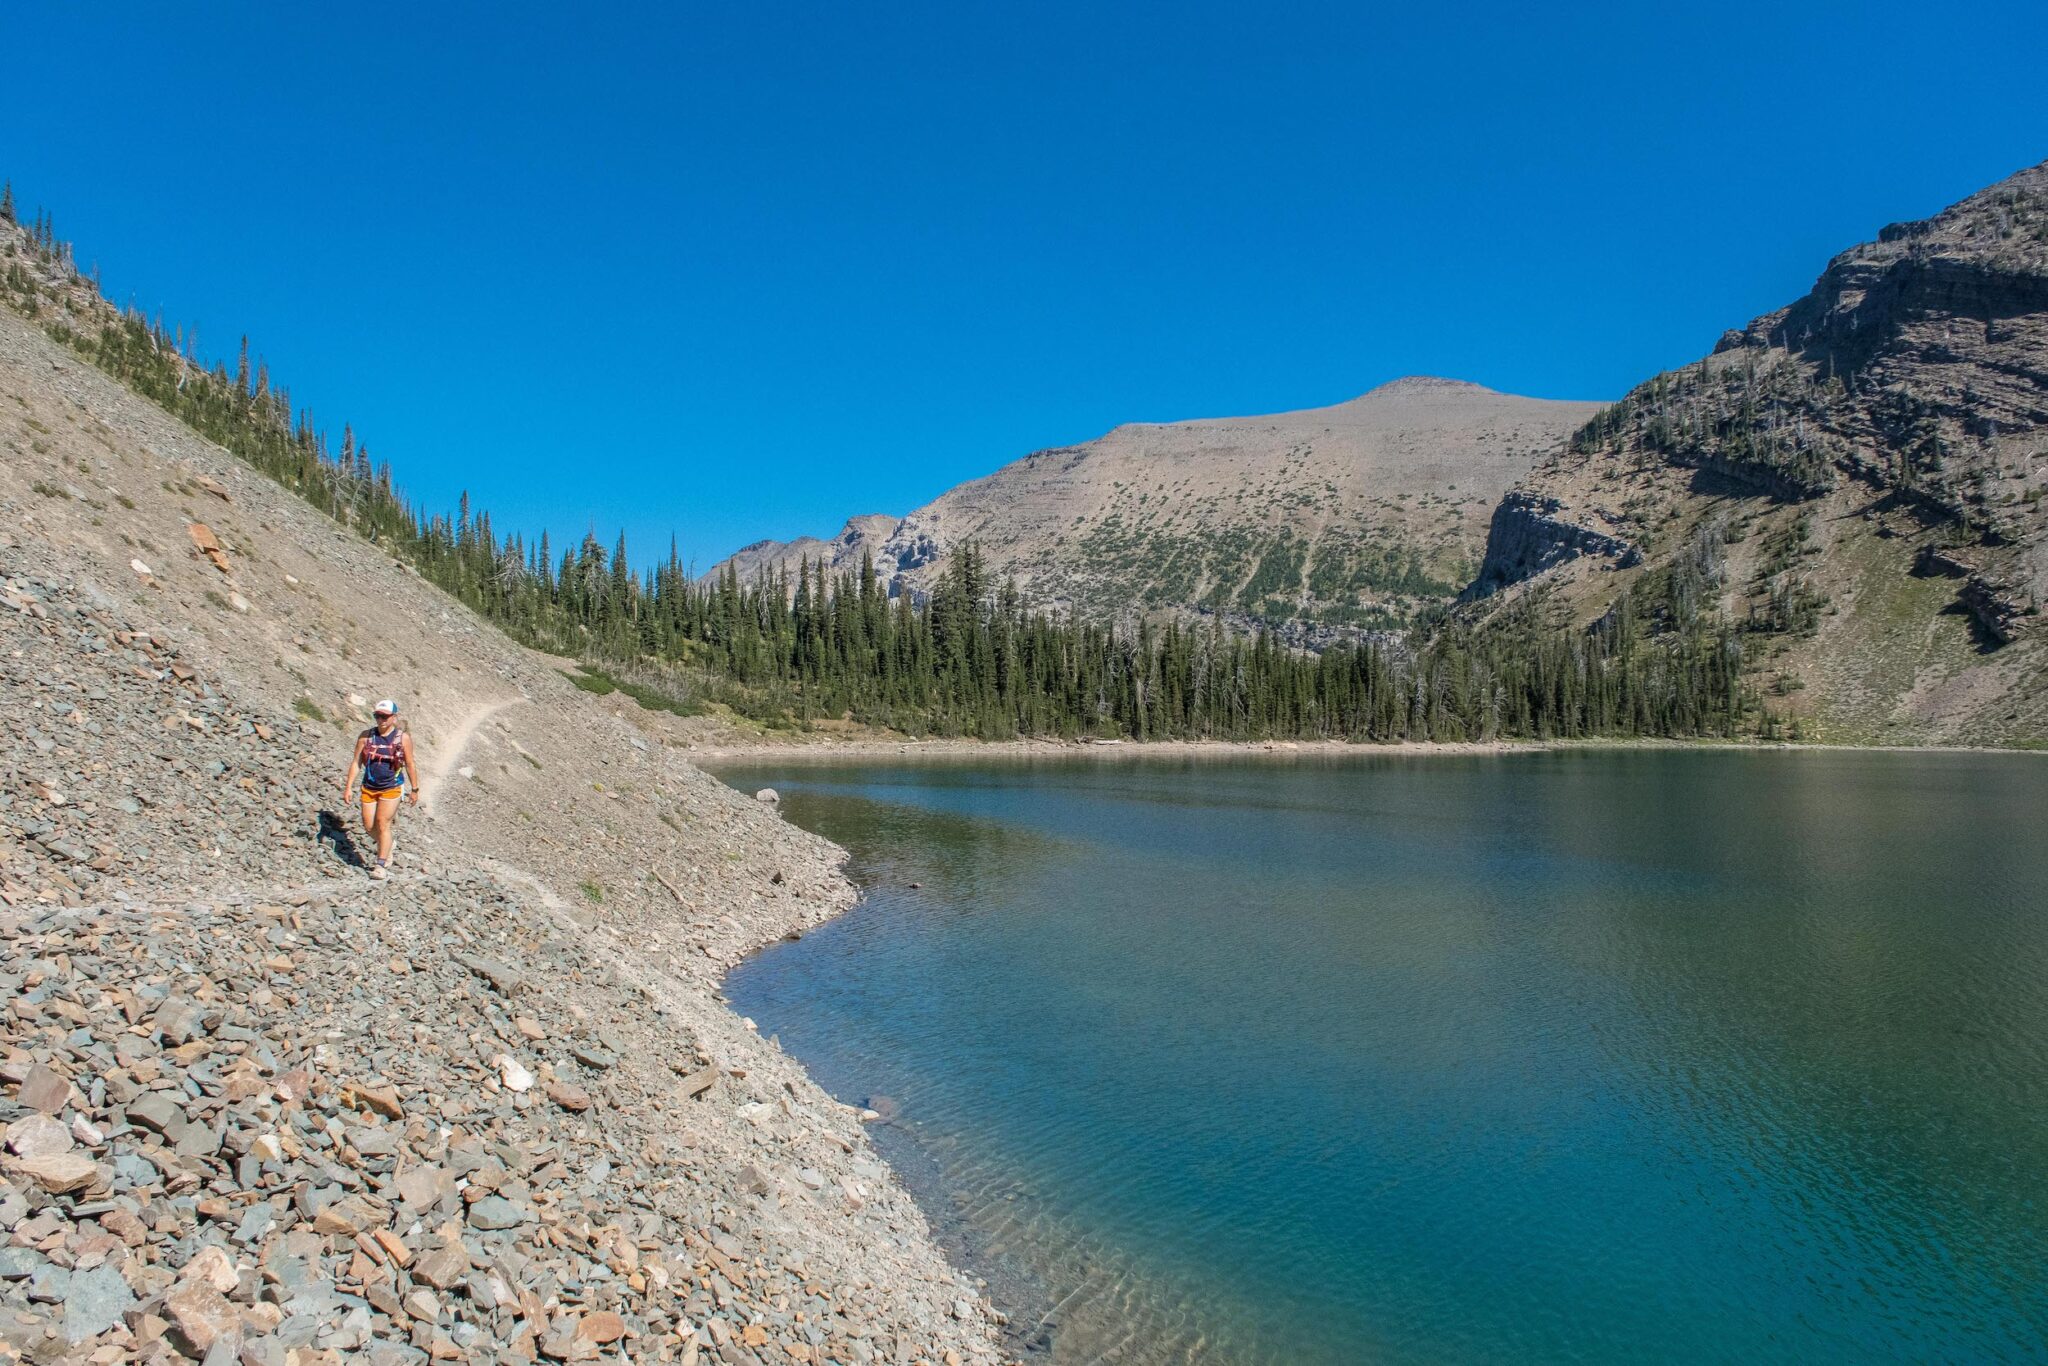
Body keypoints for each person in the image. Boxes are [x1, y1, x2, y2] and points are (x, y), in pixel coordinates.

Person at [342, 699, 420, 879]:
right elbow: (356, 762)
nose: (381, 720)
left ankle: (380, 865)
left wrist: (414, 789)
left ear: (394, 717)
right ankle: (387, 844)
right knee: (369, 825)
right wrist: (348, 787)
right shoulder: (365, 737)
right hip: (369, 786)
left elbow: (410, 763)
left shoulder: (402, 738)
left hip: (391, 787)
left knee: (382, 823)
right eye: (377, 716)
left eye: (385, 716)